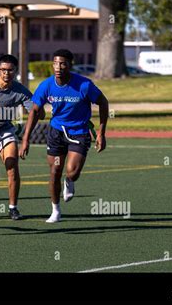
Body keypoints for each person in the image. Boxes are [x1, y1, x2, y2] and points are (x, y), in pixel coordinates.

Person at [19, 49, 109, 223]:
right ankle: (55, 210)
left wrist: (101, 132)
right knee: (54, 171)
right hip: (56, 133)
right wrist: (25, 140)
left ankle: (70, 180)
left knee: (72, 172)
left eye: (63, 63)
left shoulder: (84, 85)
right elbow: (35, 111)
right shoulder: (46, 85)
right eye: (55, 63)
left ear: (70, 65)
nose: (58, 67)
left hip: (79, 132)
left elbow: (103, 102)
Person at [0, 54, 45, 220]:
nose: (6, 73)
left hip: (5, 131)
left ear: (15, 71)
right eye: (3, 70)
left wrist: (39, 108)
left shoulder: (20, 90)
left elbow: (37, 113)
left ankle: (13, 208)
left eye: (10, 70)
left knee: (12, 165)